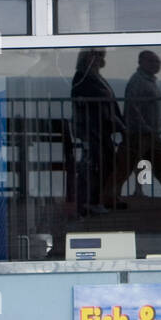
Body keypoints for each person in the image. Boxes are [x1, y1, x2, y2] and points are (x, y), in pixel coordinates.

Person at [104, 50, 161, 206]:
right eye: (152, 62)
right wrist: (144, 127)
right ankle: (109, 198)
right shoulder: (138, 82)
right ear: (142, 62)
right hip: (139, 133)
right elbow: (133, 107)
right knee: (125, 166)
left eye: (157, 62)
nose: (156, 65)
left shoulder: (147, 81)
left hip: (149, 133)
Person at [70, 48, 122, 217]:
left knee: (104, 163)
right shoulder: (83, 77)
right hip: (91, 128)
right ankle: (89, 202)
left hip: (100, 127)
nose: (101, 59)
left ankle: (96, 199)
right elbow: (91, 100)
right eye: (98, 55)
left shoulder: (94, 76)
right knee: (94, 164)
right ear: (89, 58)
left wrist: (116, 121)